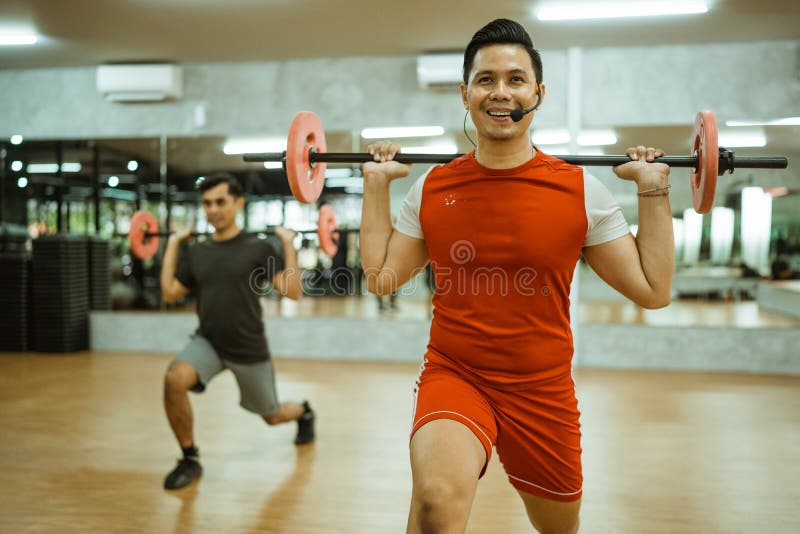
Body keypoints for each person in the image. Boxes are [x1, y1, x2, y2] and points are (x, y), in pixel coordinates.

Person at [360, 18, 673, 534]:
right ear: (465, 94)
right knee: (435, 501)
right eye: (485, 80)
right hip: (456, 372)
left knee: (557, 529)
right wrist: (376, 186)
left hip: (542, 388)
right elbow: (380, 277)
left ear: (538, 93)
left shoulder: (580, 191)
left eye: (515, 79)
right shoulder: (433, 188)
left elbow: (653, 290)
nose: (500, 92)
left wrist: (652, 191)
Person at [159, 173, 315, 490]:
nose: (213, 210)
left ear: (238, 203)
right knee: (174, 379)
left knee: (272, 416)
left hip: (247, 346)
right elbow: (169, 292)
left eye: (220, 202)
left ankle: (304, 412)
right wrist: (174, 243)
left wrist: (287, 244)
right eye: (207, 204)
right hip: (209, 343)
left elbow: (293, 291)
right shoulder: (198, 252)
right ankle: (190, 457)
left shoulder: (257, 249)